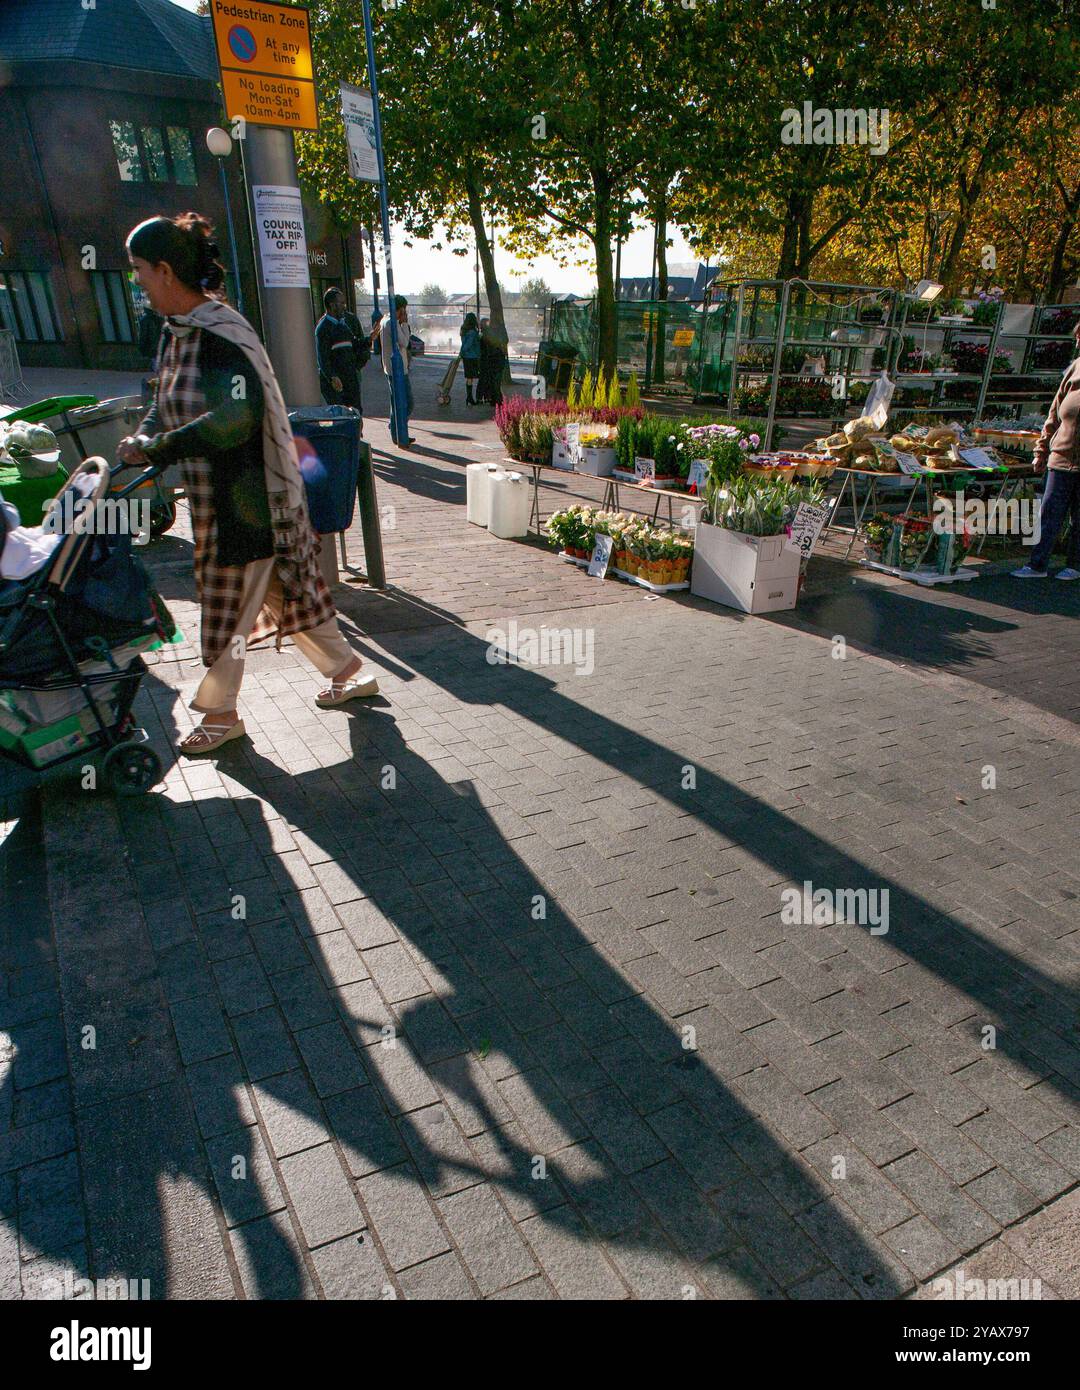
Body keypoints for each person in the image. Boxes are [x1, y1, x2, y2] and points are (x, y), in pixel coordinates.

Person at [119, 213, 378, 757]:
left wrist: (161, 447)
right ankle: (348, 672)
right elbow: (164, 400)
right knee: (290, 594)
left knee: (228, 612)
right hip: (219, 499)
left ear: (165, 270)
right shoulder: (177, 333)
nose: (136, 281)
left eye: (139, 269)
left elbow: (235, 417)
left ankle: (220, 714)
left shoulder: (220, 336)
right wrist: (146, 435)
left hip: (250, 499)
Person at [1012, 320, 1080, 580]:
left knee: (1079, 518)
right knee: (1049, 511)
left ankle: (1075, 565)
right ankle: (1037, 564)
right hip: (1061, 456)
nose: (1078, 342)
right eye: (1077, 337)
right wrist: (1041, 449)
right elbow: (1054, 411)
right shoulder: (1075, 368)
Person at [315, 287, 367, 413]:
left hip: (350, 378)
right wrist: (332, 376)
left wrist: (369, 339)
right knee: (340, 415)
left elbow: (354, 344)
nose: (344, 306)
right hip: (336, 383)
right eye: (342, 303)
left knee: (355, 412)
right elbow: (322, 358)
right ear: (332, 305)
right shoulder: (323, 328)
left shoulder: (343, 324)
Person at [375, 294, 414, 446]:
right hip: (397, 370)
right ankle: (398, 429)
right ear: (399, 309)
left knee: (396, 402)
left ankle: (397, 429)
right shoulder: (393, 323)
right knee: (406, 403)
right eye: (403, 310)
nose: (404, 313)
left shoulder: (385, 320)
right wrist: (404, 323)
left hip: (391, 368)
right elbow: (405, 342)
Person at [478, 316, 507, 407]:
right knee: (495, 381)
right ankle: (497, 400)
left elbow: (484, 350)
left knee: (492, 381)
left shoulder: (484, 335)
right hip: (497, 360)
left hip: (491, 360)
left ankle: (495, 400)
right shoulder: (497, 333)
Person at [459, 312, 481, 405]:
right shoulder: (472, 332)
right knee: (475, 376)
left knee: (469, 378)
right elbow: (469, 344)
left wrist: (462, 353)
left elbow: (464, 344)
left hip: (466, 357)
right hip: (472, 356)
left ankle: (469, 397)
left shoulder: (464, 331)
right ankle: (471, 398)